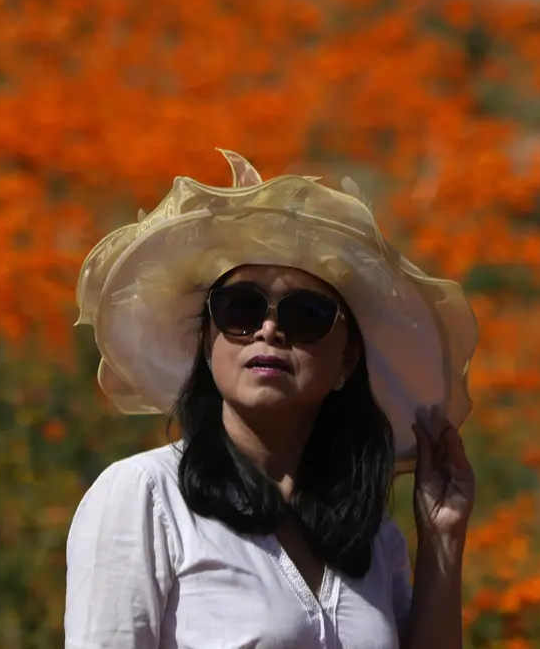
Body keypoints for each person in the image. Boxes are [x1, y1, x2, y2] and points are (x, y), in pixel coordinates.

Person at [67, 150, 479, 649]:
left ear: (347, 360)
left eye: (305, 315)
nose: (268, 330)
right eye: (240, 308)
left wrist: (442, 539)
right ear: (206, 339)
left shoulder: (370, 536)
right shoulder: (146, 497)